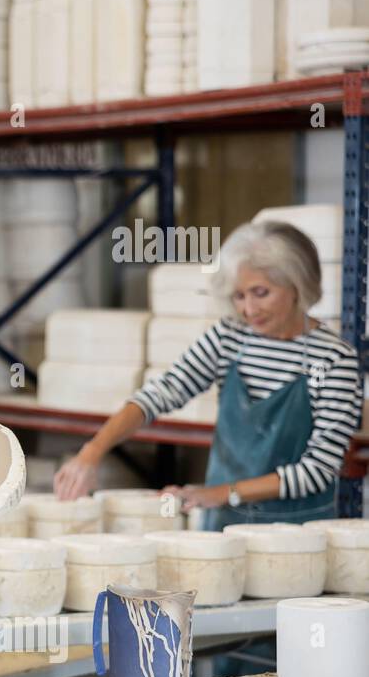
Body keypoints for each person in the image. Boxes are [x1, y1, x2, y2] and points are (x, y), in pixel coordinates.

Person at [54, 220, 363, 530]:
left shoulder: (333, 359)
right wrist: (91, 453)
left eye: (260, 292)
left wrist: (220, 493)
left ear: (298, 285)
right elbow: (162, 392)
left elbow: (317, 469)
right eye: (239, 296)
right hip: (223, 527)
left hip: (295, 535)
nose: (249, 309)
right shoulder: (230, 337)